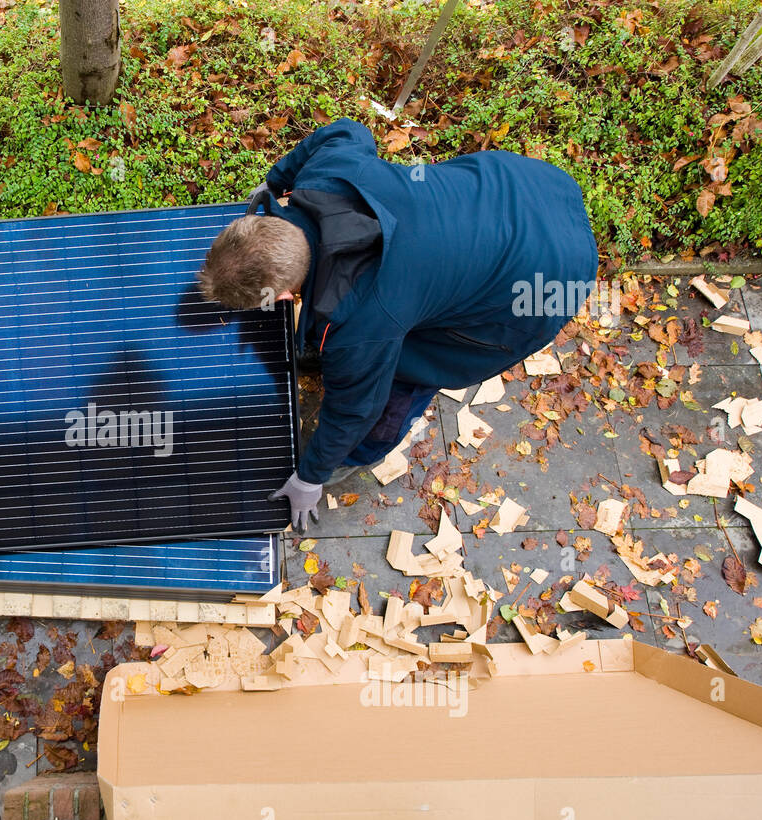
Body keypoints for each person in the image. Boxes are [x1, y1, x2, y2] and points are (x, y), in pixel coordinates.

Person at [197, 119, 599, 531]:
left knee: (399, 380)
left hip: (546, 278)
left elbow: (354, 409)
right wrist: (276, 178)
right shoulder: (325, 173)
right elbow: (346, 131)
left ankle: (364, 454)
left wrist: (310, 476)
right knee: (380, 338)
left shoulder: (360, 323)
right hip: (526, 184)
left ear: (283, 297)